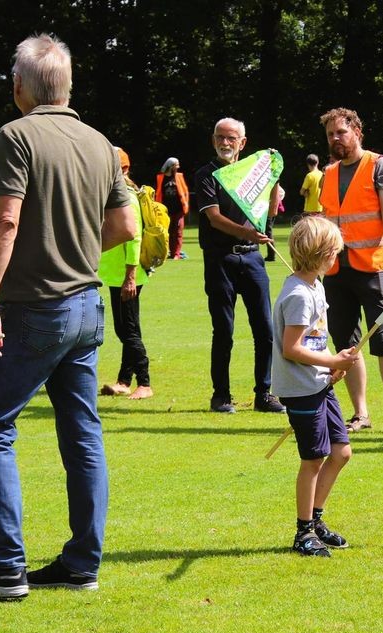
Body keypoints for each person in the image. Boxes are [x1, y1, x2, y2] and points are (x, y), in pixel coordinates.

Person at [0, 34, 138, 599]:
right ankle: (82, 562)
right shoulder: (100, 143)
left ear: (20, 86)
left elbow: (5, 220)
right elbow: (125, 227)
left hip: (33, 307)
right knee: (83, 434)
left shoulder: (16, 135)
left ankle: (5, 566)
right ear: (68, 84)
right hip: (85, 305)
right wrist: (74, 251)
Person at [317, 107, 383, 435]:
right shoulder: (327, 174)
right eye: (330, 134)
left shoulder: (379, 166)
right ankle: (361, 414)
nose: (335, 139)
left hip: (375, 268)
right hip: (334, 271)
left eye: (341, 132)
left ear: (357, 132)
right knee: (346, 344)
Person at [271, 216, 360, 557]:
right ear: (323, 254)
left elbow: (314, 341)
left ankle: (316, 519)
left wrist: (331, 364)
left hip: (319, 382)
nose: (337, 257)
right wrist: (333, 362)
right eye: (335, 252)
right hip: (301, 388)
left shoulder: (315, 286)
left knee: (341, 452)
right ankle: (303, 531)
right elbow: (292, 348)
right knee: (314, 459)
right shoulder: (298, 295)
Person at [193, 117, 284, 414]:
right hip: (220, 259)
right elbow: (214, 218)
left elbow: (270, 210)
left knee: (265, 330)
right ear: (213, 139)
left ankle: (265, 394)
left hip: (253, 258)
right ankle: (221, 396)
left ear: (243, 143)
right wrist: (248, 233)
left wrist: (273, 177)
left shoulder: (252, 175)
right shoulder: (206, 175)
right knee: (224, 330)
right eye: (220, 137)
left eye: (232, 138)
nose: (225, 143)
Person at [99, 148, 152, 400]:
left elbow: (134, 237)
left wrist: (130, 277)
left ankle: (144, 382)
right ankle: (123, 380)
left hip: (125, 275)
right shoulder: (115, 195)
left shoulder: (127, 198)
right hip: (116, 274)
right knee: (128, 327)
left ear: (124, 170)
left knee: (127, 330)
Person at [155, 157, 190, 260]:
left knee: (178, 231)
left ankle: (176, 254)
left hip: (179, 210)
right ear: (170, 166)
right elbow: (157, 193)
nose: (178, 167)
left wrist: (185, 206)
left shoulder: (179, 176)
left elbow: (185, 191)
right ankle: (169, 252)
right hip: (165, 211)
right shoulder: (160, 177)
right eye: (176, 165)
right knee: (167, 232)